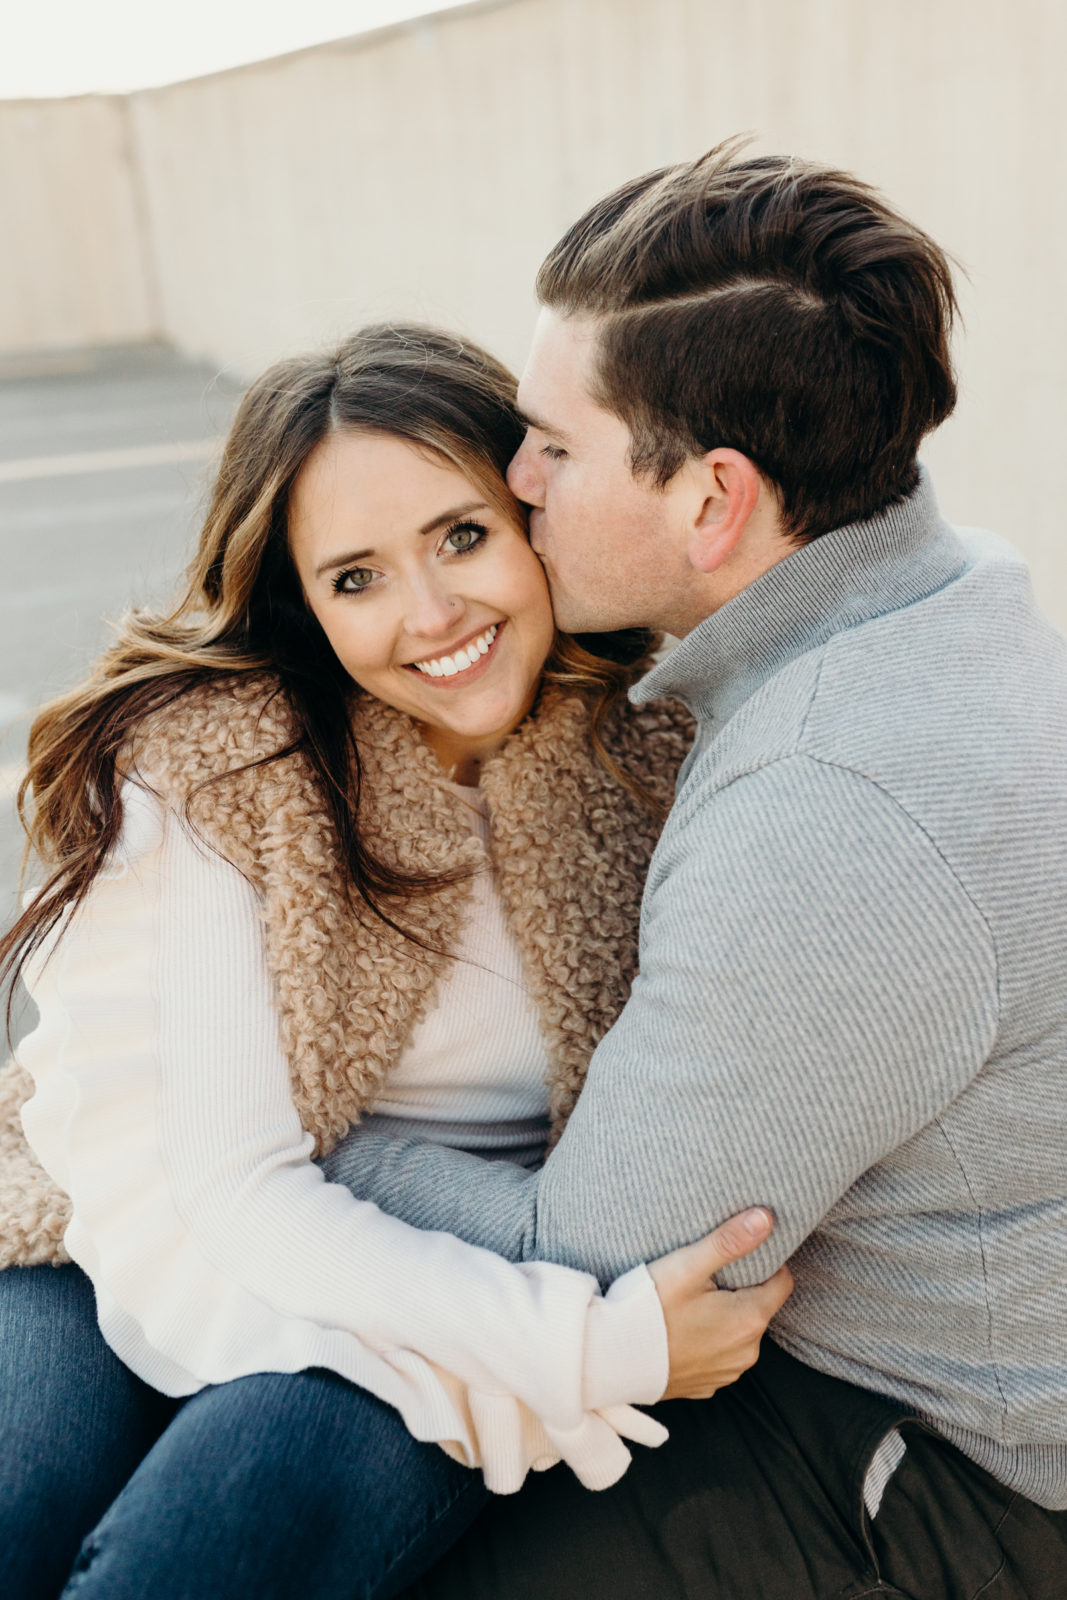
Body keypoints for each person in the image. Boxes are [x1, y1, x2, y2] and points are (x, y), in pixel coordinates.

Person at [323, 145, 1067, 1597]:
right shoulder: (952, 588)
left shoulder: (827, 803)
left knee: (380, 1525)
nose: (512, 477)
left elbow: (601, 1263)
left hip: (953, 1471)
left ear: (711, 501)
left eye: (553, 444)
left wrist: (327, 1140)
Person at [0, 323, 792, 1600]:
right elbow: (233, 1183)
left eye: (461, 536)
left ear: (533, 510)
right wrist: (589, 1348)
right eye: (355, 577)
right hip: (115, 1208)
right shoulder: (231, 765)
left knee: (184, 1566)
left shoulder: (658, 755)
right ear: (301, 602)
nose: (431, 617)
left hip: (433, 1288)